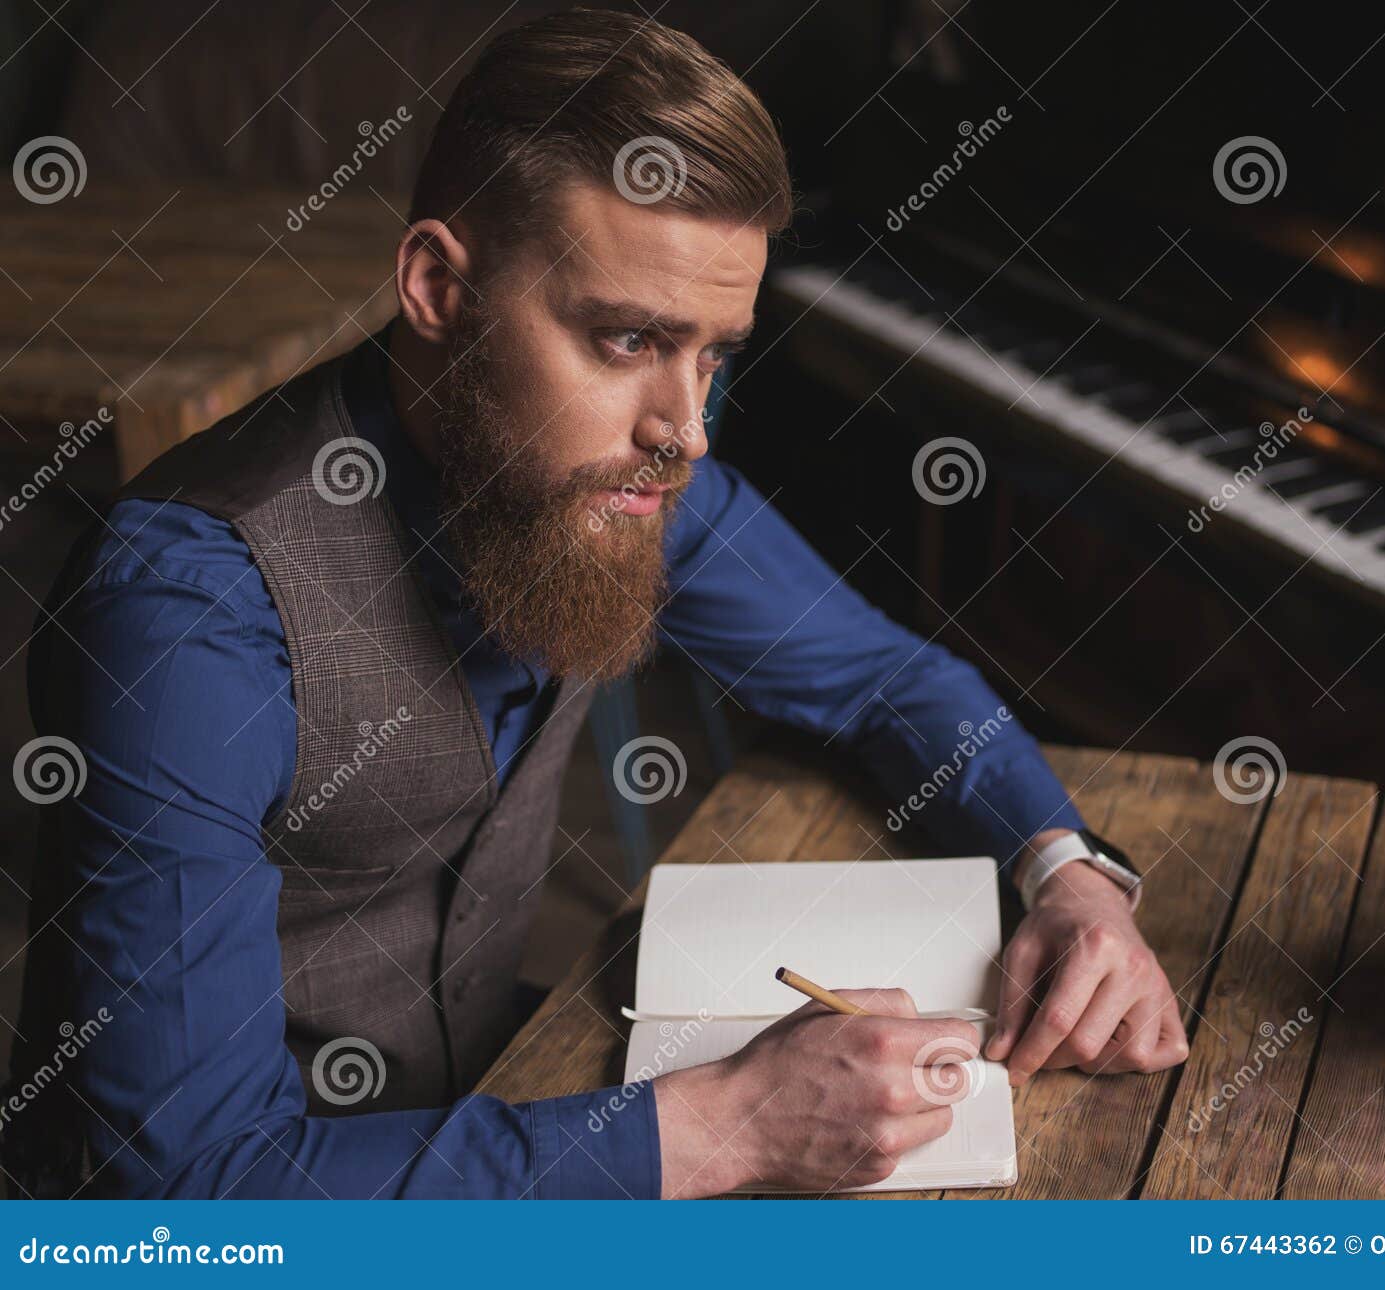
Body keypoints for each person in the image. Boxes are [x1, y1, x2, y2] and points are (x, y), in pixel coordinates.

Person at [2, 8, 1185, 1200]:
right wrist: (727, 1128)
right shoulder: (187, 607)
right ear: (435, 287)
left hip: (487, 1098)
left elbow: (885, 678)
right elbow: (187, 1189)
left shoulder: (624, 474)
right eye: (626, 339)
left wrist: (1066, 876)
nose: (687, 431)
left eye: (713, 352)